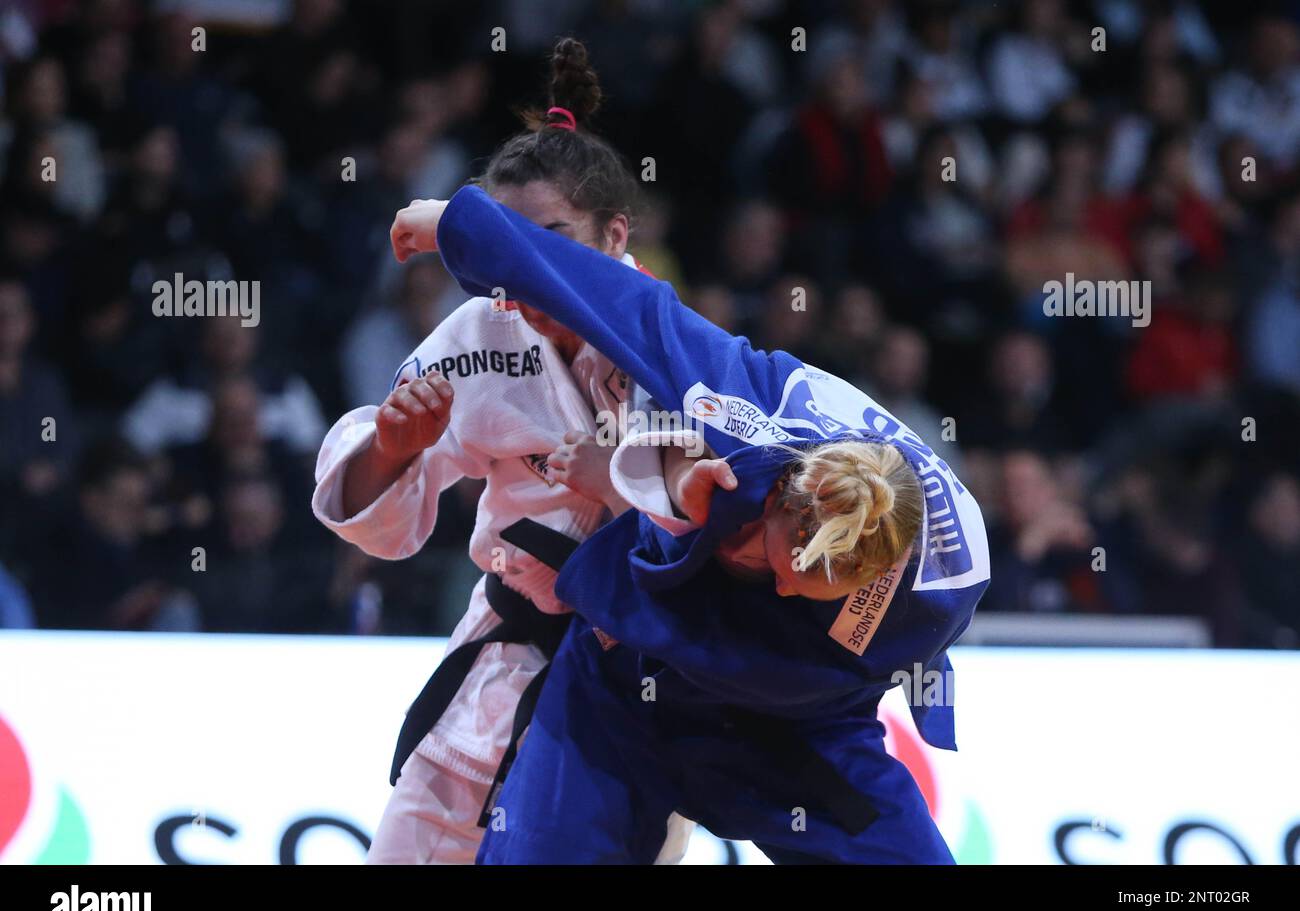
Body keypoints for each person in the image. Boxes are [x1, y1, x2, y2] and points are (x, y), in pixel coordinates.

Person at [388, 185, 990, 863]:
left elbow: (789, 660)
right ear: (778, 498)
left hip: (799, 725)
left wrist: (634, 508)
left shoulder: (940, 590)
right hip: (626, 687)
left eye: (805, 586)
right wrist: (463, 225)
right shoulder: (735, 406)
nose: (787, 588)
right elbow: (625, 301)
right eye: (777, 559)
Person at [313, 39, 690, 864]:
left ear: (614, 234)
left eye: (552, 240)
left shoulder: (668, 338)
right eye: (504, 247)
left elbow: (704, 519)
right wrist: (393, 447)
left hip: (636, 674)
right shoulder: (481, 330)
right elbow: (381, 508)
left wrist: (618, 481)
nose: (524, 273)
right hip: (504, 651)